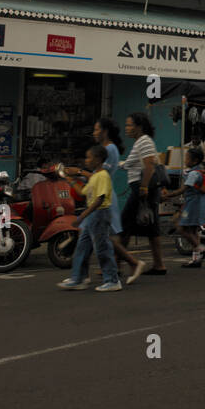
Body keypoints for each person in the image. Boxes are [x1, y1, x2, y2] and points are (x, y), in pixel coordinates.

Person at [67, 117, 143, 284]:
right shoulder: (102, 149)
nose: (94, 133)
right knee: (92, 237)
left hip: (104, 199)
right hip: (96, 196)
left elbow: (102, 177)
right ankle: (81, 275)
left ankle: (127, 266)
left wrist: (79, 172)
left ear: (104, 131)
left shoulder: (111, 150)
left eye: (96, 129)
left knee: (102, 239)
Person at [59, 145, 121, 292]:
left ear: (98, 159)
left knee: (102, 248)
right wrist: (70, 179)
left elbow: (99, 200)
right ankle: (78, 278)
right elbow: (83, 193)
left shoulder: (103, 176)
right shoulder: (94, 177)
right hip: (92, 215)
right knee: (82, 246)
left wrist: (82, 217)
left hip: (100, 213)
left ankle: (112, 280)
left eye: (89, 157)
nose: (86, 161)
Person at [121, 112, 167, 275]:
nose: (126, 128)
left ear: (138, 127)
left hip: (142, 188)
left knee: (124, 224)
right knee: (151, 227)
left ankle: (117, 264)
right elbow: (134, 164)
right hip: (143, 188)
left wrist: (144, 188)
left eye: (129, 125)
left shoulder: (144, 141)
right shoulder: (140, 142)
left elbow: (149, 166)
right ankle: (159, 265)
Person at [163, 146, 205, 268]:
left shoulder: (193, 173)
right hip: (198, 202)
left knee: (181, 228)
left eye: (187, 158)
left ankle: (201, 248)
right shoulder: (199, 171)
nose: (185, 160)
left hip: (193, 203)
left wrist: (169, 195)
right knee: (193, 231)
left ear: (194, 161)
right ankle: (196, 259)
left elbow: (184, 189)